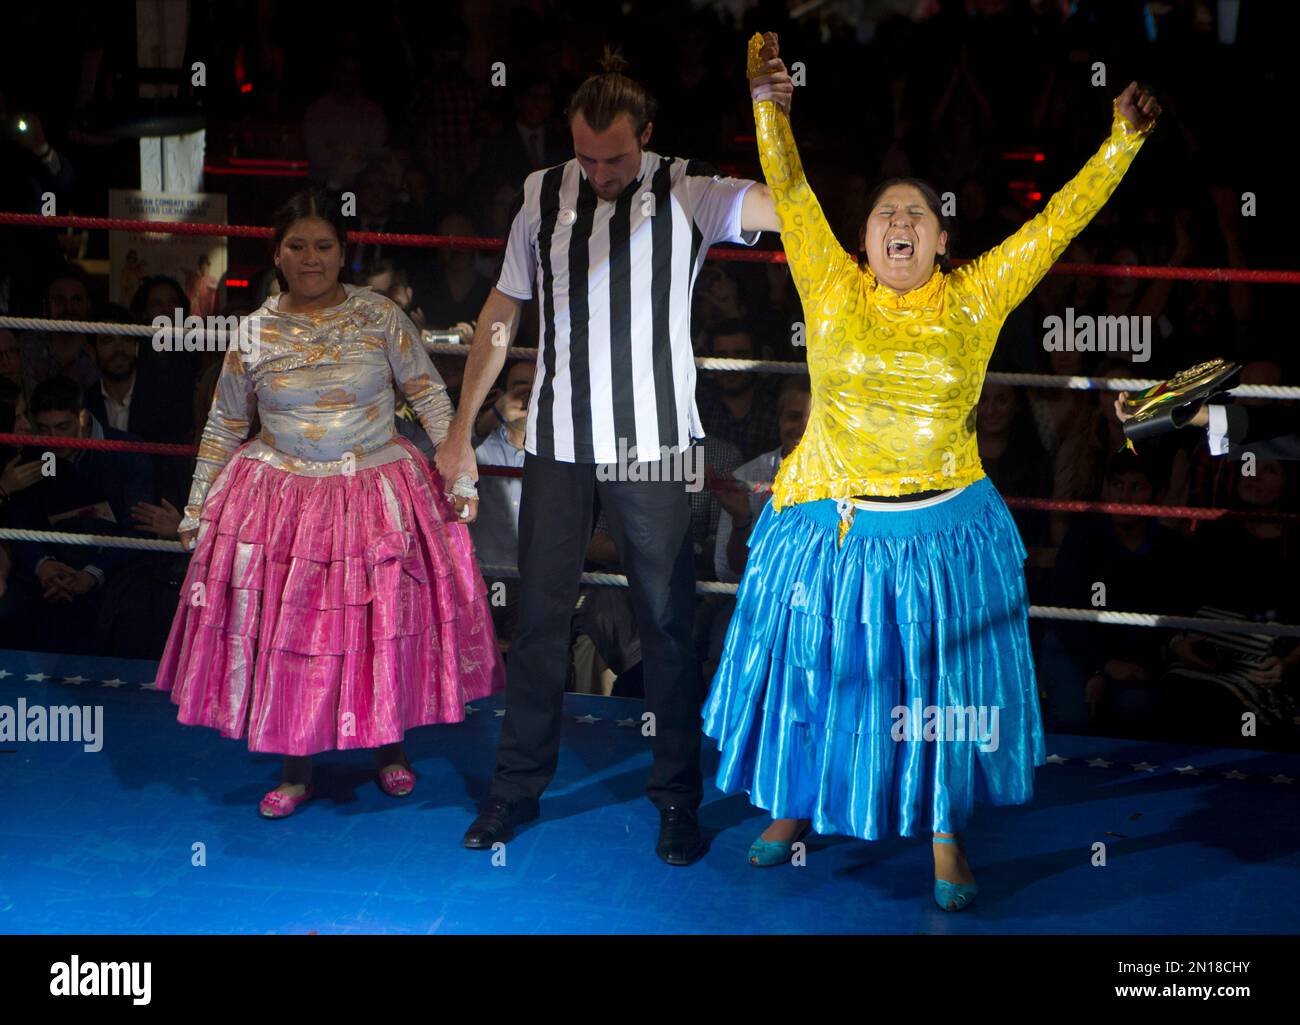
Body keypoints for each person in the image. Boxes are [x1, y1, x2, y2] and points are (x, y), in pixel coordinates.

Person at [703, 32, 1158, 910]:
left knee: (941, 690)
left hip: (945, 535)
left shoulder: (978, 297)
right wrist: (770, 106)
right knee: (820, 672)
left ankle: (946, 834)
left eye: (916, 214)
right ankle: (796, 804)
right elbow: (790, 193)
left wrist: (1122, 142)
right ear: (865, 236)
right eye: (885, 215)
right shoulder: (831, 289)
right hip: (831, 527)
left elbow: (1059, 222)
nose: (899, 224)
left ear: (942, 238)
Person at [437, 48, 782, 865]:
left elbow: (785, 209)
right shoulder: (540, 191)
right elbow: (501, 309)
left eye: (615, 158)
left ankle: (677, 798)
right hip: (558, 442)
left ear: (648, 137)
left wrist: (775, 117)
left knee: (666, 624)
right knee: (541, 620)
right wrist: (461, 427)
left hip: (657, 443)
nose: (596, 173)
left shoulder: (690, 187)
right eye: (585, 156)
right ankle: (514, 791)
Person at [154, 188, 505, 818]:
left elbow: (429, 396)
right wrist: (195, 506)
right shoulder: (253, 331)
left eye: (323, 246)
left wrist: (461, 477)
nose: (310, 259)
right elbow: (224, 426)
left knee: (379, 624)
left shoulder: (380, 316)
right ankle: (295, 769)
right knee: (293, 634)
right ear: (276, 253)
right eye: (297, 246)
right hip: (280, 500)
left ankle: (390, 751)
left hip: (374, 493)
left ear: (343, 252)